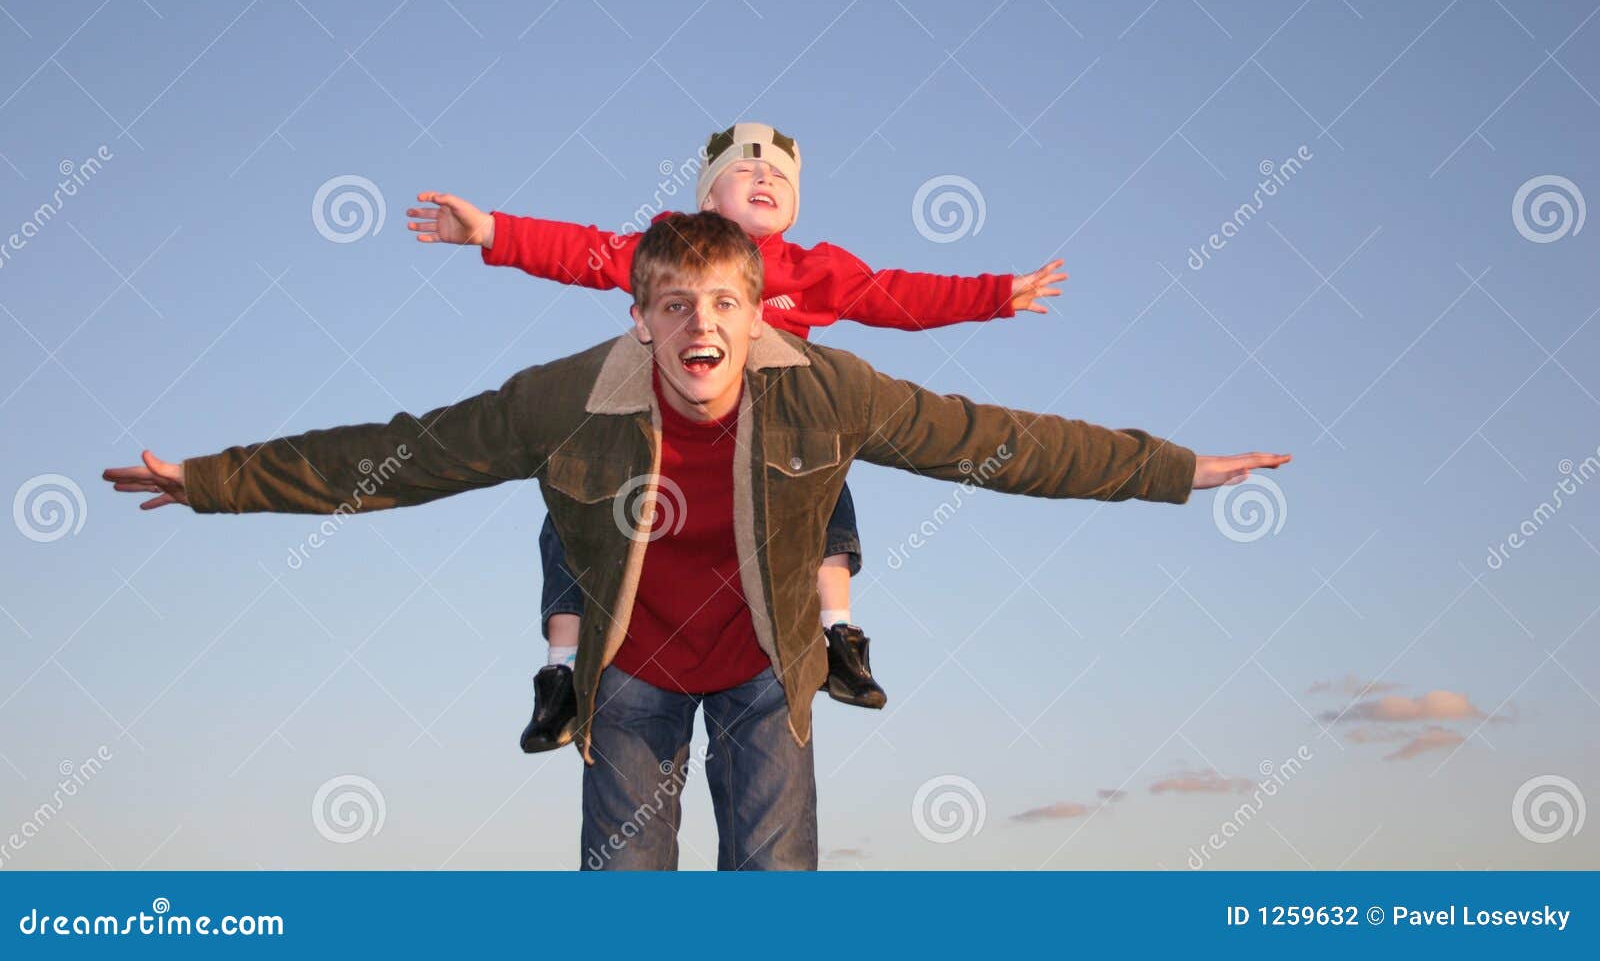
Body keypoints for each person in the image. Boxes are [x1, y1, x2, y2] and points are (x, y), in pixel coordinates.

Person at [104, 211, 1290, 871]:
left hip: (767, 668)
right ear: (641, 317)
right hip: (628, 670)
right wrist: (213, 481)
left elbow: (1002, 440)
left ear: (757, 312)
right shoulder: (567, 396)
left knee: (771, 888)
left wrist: (1174, 469)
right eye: (675, 303)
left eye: (723, 302)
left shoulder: (827, 388)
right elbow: (401, 454)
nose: (700, 324)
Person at [405, 122, 1069, 752]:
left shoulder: (814, 270)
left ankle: (837, 634)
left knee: (824, 469)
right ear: (706, 196)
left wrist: (999, 293)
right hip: (669, 432)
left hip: (768, 445)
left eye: (780, 174)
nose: (764, 177)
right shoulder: (671, 253)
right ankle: (562, 672)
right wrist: (491, 230)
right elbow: (587, 251)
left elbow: (898, 295)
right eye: (745, 169)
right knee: (575, 502)